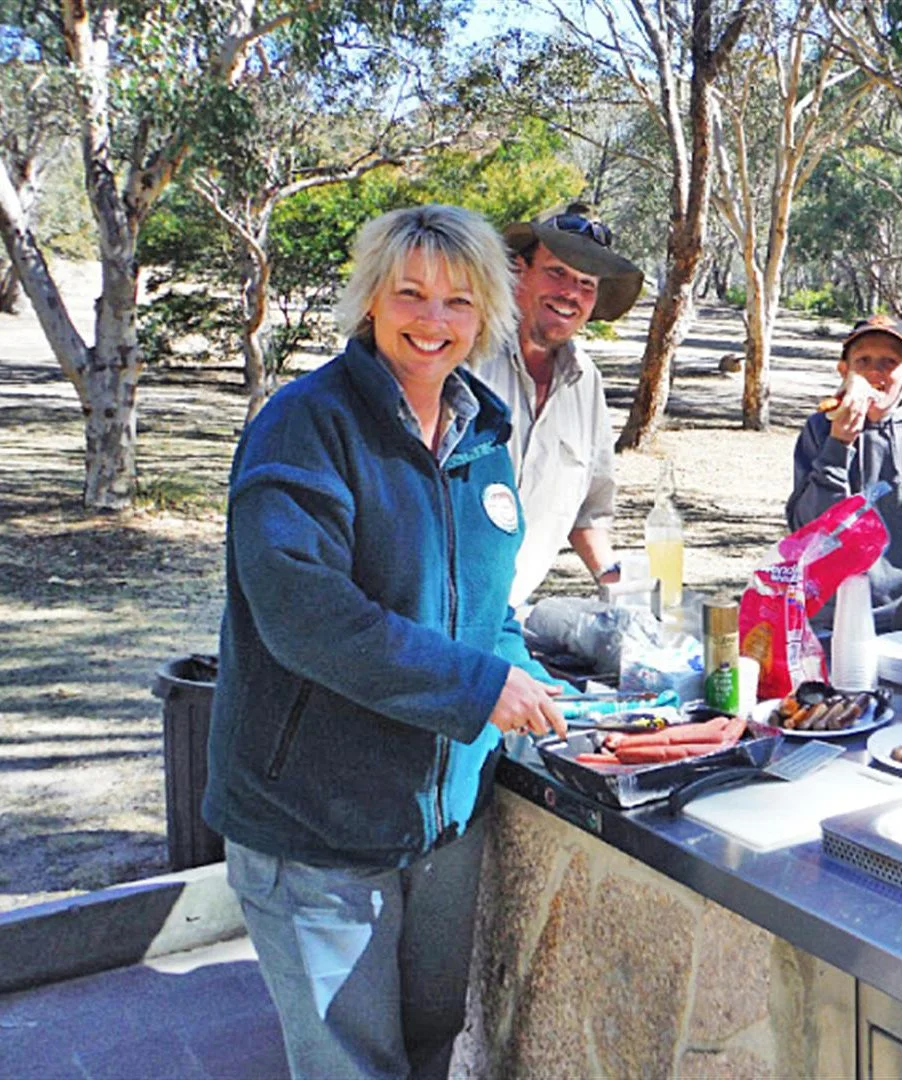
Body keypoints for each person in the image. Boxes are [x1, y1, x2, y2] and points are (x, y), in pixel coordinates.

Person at [204, 205, 568, 1080]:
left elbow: (491, 611)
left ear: (487, 315)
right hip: (315, 827)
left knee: (427, 1052)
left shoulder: (484, 440)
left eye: (458, 301)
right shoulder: (306, 425)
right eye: (410, 294)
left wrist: (525, 677)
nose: (432, 321)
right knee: (352, 1069)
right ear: (370, 301)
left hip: (441, 824)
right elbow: (303, 613)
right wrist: (478, 689)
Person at [471, 202, 645, 608]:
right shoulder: (466, 357)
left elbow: (589, 511)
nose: (570, 293)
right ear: (518, 272)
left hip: (507, 616)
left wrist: (617, 585)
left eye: (586, 283)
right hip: (428, 619)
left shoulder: (587, 382)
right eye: (556, 273)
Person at [787, 314, 902, 630]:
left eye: (889, 362)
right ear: (844, 371)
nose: (875, 371)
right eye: (863, 361)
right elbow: (808, 529)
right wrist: (839, 444)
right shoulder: (820, 428)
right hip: (831, 617)